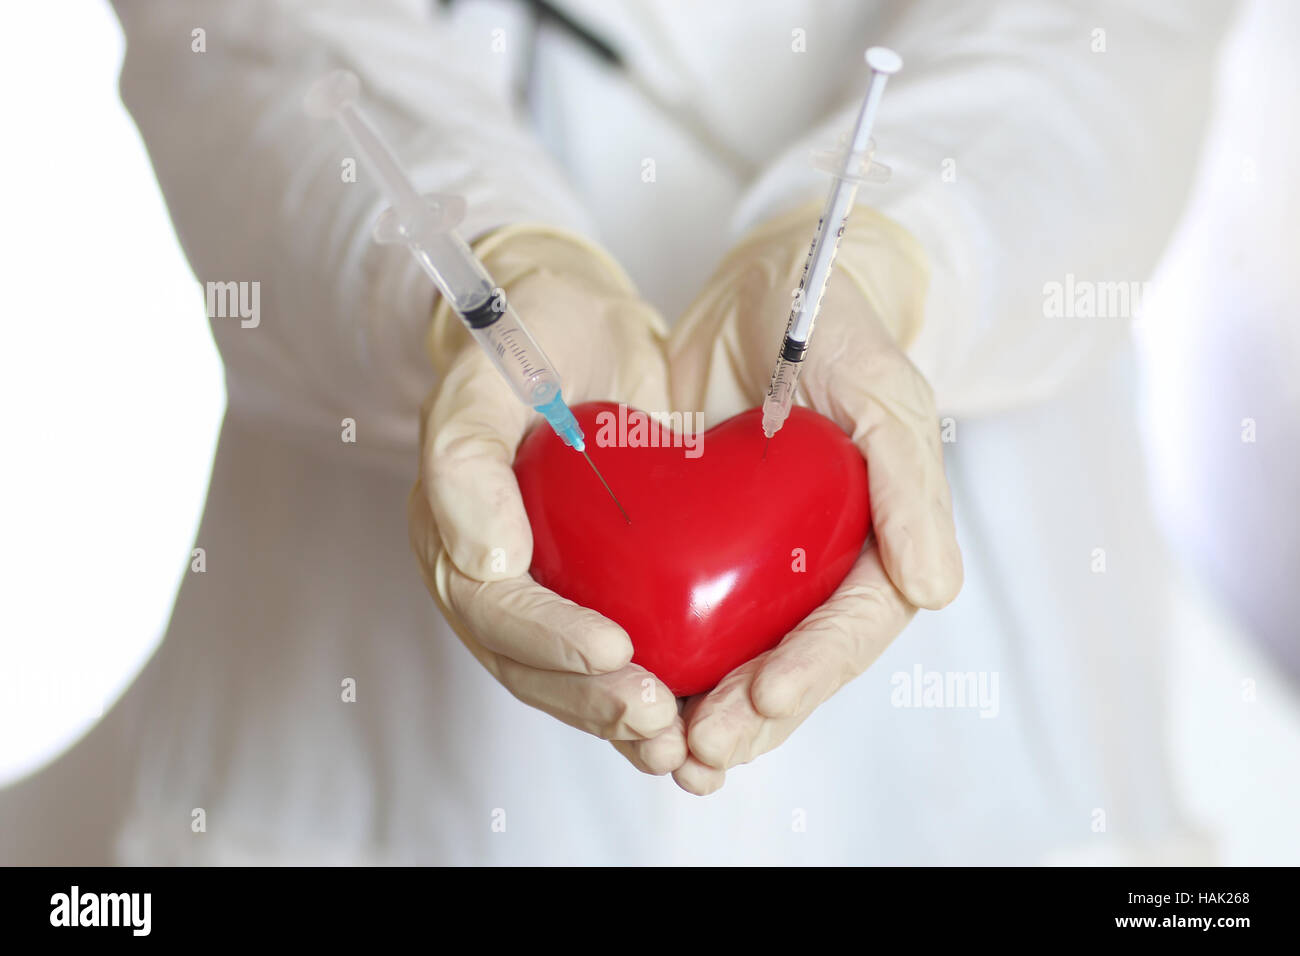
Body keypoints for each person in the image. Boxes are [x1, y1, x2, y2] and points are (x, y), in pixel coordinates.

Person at [0, 0, 1235, 864]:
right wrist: (489, 265)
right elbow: (241, 27)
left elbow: (1110, 27)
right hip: (367, 704)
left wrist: (893, 250)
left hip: (991, 701)